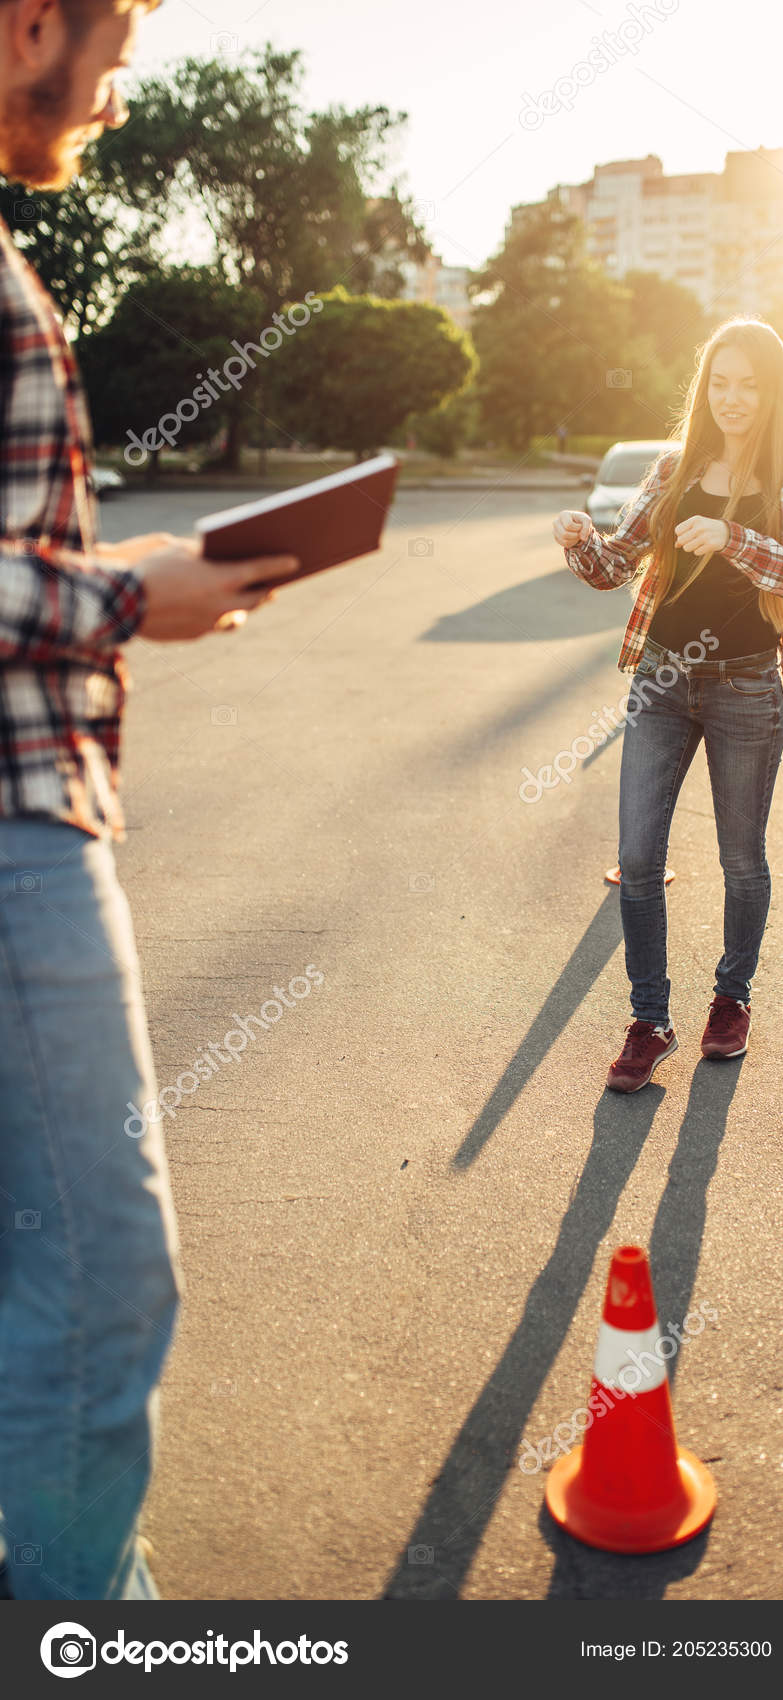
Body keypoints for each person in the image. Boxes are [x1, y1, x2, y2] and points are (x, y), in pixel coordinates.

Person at [0, 0, 298, 1600]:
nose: (115, 97)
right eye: (110, 52)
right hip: (10, 832)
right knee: (100, 1279)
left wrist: (130, 575)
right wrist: (125, 603)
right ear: (28, 20)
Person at [552, 317, 783, 1092]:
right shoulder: (676, 466)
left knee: (741, 861)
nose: (733, 398)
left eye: (748, 384)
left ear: (772, 390)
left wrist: (732, 533)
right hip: (663, 682)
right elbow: (616, 564)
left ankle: (731, 1000)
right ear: (704, 387)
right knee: (640, 858)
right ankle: (649, 1020)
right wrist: (580, 539)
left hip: (747, 685)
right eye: (720, 382)